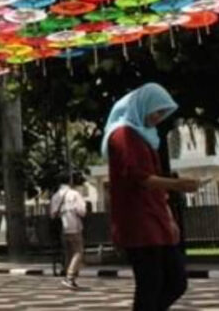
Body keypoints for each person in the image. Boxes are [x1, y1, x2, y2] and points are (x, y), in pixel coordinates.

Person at [104, 83, 199, 311]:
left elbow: (152, 182)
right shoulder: (123, 135)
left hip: (155, 220)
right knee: (151, 284)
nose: (159, 117)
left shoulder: (144, 137)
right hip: (138, 223)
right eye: (157, 111)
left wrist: (168, 217)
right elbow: (140, 178)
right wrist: (178, 185)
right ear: (142, 106)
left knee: (176, 282)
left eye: (163, 113)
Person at [50, 172, 88, 289]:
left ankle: (69, 276)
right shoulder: (74, 194)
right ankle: (70, 277)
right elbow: (82, 211)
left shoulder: (55, 196)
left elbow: (52, 214)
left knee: (68, 253)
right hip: (74, 226)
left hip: (62, 228)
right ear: (70, 181)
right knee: (78, 252)